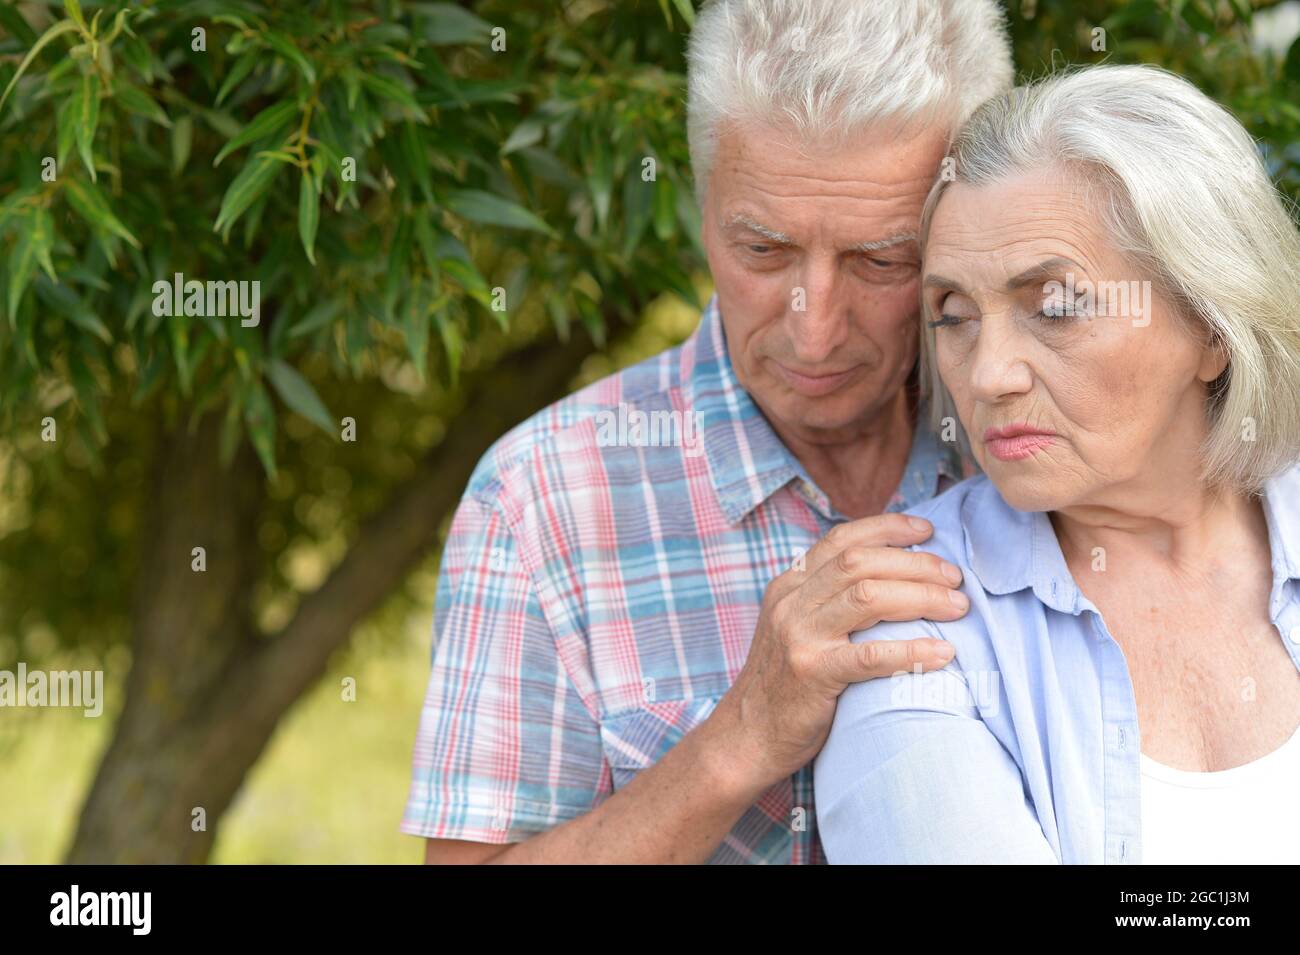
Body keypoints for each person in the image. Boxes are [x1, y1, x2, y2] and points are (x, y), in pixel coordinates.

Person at [401, 0, 1012, 863]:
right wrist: (743, 735)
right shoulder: (540, 501)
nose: (815, 329)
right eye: (762, 252)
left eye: (883, 260)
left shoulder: (1034, 453)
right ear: (700, 204)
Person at [815, 64, 1300, 864]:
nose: (987, 374)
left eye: (1055, 306)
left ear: (1213, 328)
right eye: (954, 315)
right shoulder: (911, 619)